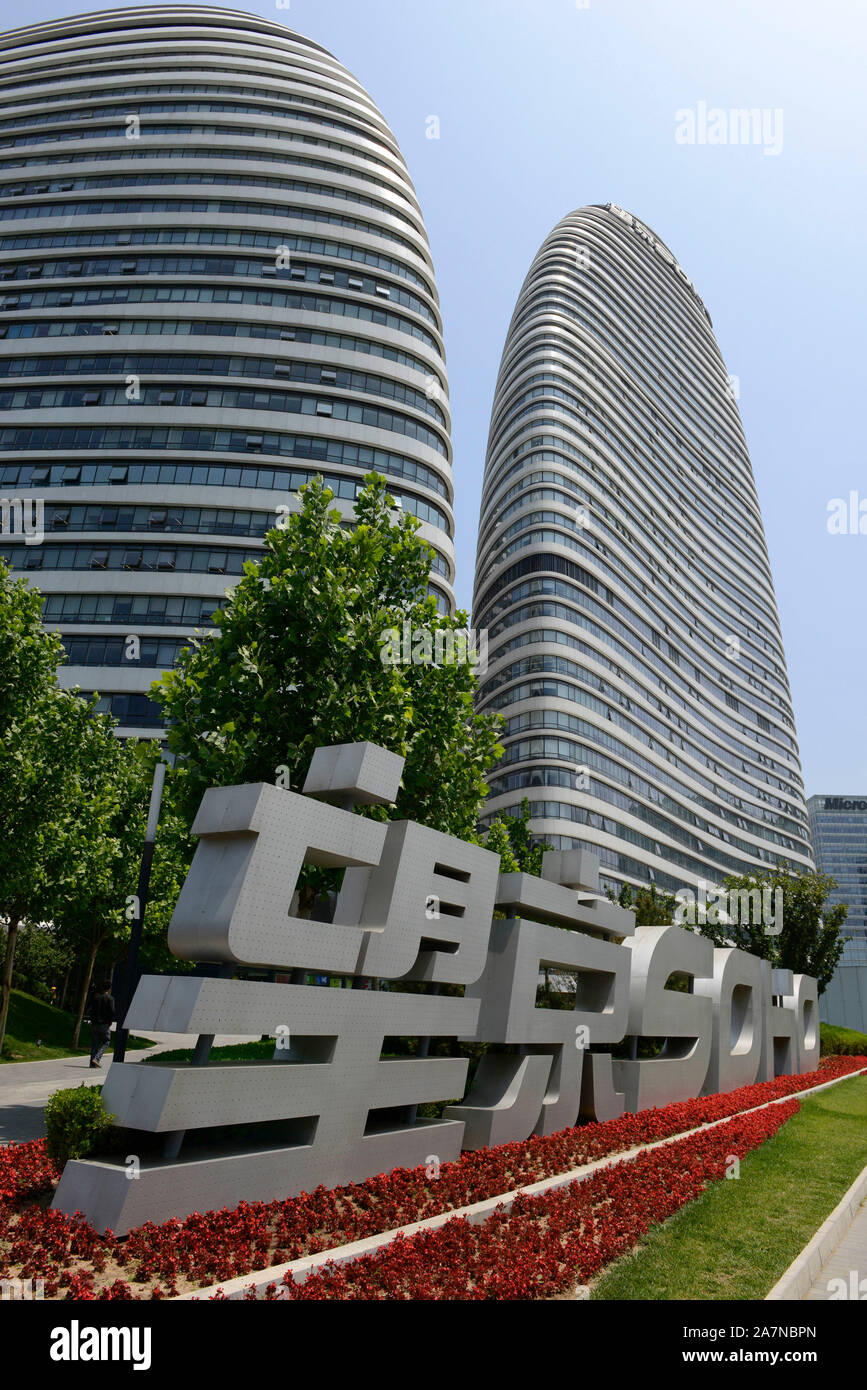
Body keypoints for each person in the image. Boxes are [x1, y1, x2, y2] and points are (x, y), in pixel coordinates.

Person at [88, 980, 116, 1068]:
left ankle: (92, 1063)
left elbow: (91, 1010)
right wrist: (110, 1020)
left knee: (95, 1043)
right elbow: (112, 1011)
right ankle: (97, 1058)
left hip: (95, 1023)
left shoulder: (95, 997)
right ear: (109, 988)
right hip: (104, 1024)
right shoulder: (110, 998)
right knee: (106, 1041)